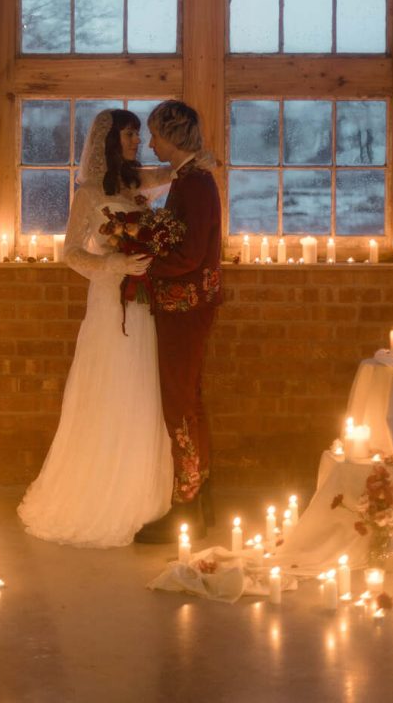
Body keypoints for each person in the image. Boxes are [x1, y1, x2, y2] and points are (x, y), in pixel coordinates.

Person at [17, 108, 174, 547]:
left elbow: (166, 174)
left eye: (138, 136)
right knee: (112, 386)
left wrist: (193, 160)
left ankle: (143, 494)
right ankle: (102, 492)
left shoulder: (133, 182)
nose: (136, 143)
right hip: (110, 299)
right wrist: (113, 264)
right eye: (129, 136)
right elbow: (69, 252)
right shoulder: (89, 192)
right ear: (109, 141)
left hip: (142, 305)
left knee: (142, 388)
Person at [134, 100, 222, 544]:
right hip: (187, 306)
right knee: (190, 395)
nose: (150, 142)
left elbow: (187, 255)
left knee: (179, 400)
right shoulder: (190, 179)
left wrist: (146, 263)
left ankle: (186, 500)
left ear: (173, 136)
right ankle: (200, 489)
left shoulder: (195, 183)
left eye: (155, 134)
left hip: (185, 308)